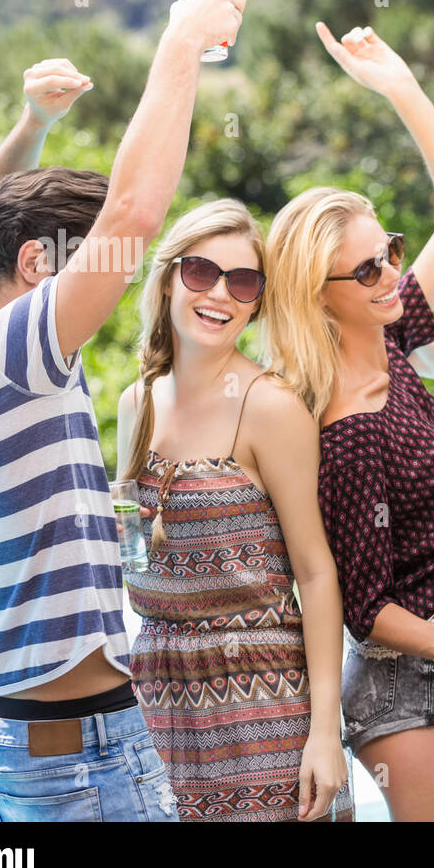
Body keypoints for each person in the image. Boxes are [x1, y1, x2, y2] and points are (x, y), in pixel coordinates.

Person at [0, 0, 246, 821]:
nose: (101, 294)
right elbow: (135, 210)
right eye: (86, 273)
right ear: (45, 267)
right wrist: (182, 41)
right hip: (74, 755)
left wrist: (32, 125)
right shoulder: (12, 358)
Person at [262, 23, 434, 821]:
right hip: (415, 684)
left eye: (391, 250)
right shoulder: (343, 428)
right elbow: (362, 605)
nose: (392, 273)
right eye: (366, 268)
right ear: (314, 294)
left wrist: (400, 86)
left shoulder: (393, 332)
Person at [115, 199, 347, 821]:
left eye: (242, 282)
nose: (219, 294)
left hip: (263, 705)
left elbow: (317, 574)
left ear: (256, 301)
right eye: (200, 272)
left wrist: (325, 733)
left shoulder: (269, 407)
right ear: (168, 278)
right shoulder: (135, 402)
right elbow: (134, 555)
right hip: (157, 700)